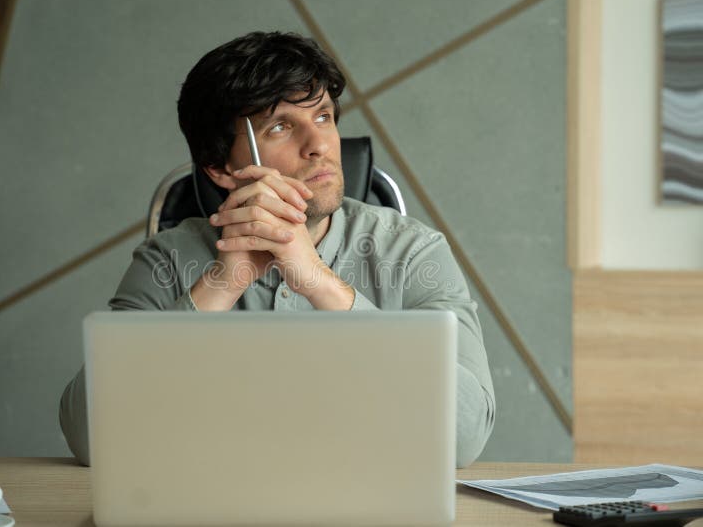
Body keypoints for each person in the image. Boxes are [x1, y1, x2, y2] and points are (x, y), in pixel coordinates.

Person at [60, 31, 495, 467]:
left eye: (324, 117)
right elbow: (90, 439)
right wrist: (220, 285)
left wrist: (320, 283)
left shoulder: (414, 252)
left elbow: (464, 437)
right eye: (281, 127)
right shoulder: (166, 260)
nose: (319, 145)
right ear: (222, 169)